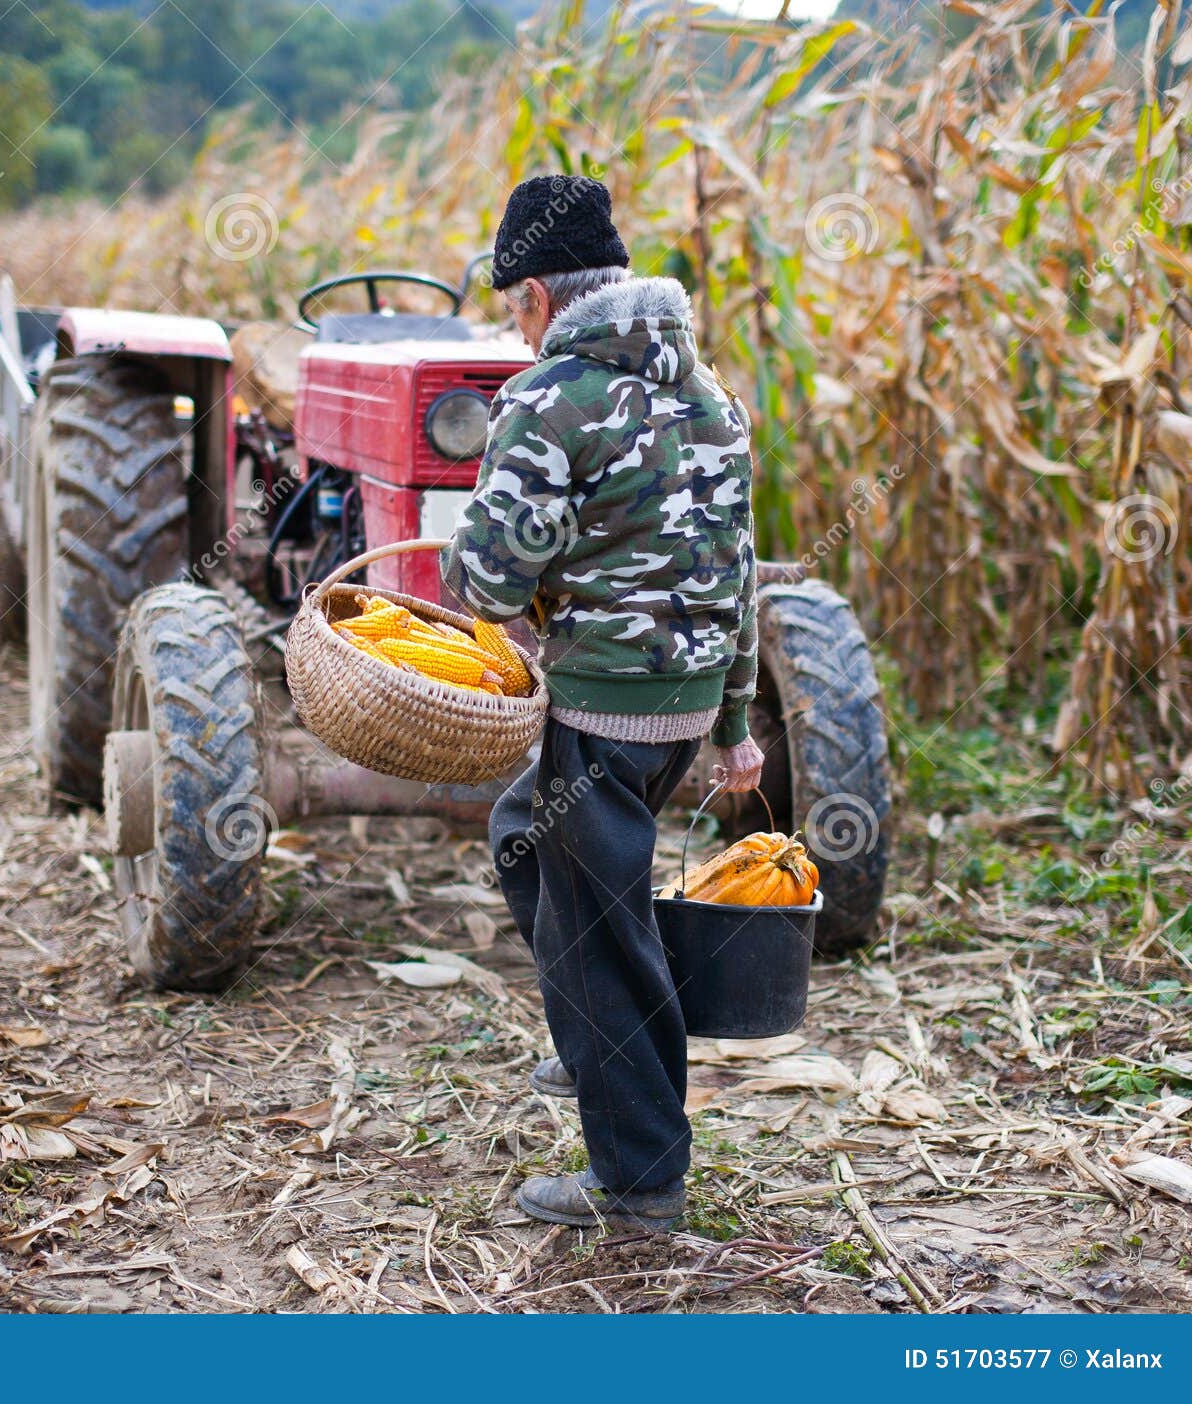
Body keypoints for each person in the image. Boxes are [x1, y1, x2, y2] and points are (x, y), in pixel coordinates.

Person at [439, 174, 764, 1232]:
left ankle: (637, 1184)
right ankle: (594, 1045)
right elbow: (737, 566)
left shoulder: (550, 395)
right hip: (684, 699)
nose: (514, 328)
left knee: (602, 934)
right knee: (526, 844)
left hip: (606, 706)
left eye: (510, 309)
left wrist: (460, 575)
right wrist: (736, 722)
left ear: (535, 297)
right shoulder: (709, 389)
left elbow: (490, 580)